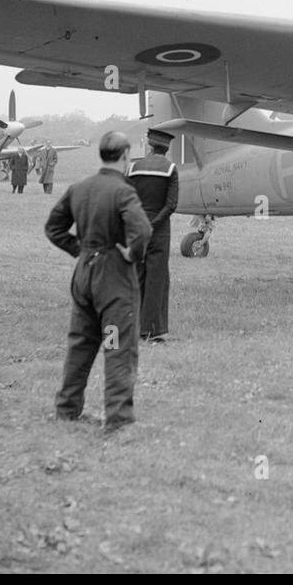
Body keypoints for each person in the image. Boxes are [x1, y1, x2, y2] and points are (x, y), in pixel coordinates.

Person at [45, 132, 152, 431]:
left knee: (80, 343)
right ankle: (118, 419)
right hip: (114, 280)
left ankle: (66, 410)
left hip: (84, 276)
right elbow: (142, 230)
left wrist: (79, 250)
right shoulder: (122, 191)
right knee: (117, 346)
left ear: (102, 154)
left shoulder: (80, 188)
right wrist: (132, 253)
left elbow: (54, 227)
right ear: (126, 156)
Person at [128, 129, 181, 342]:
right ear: (166, 149)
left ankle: (133, 326)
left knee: (137, 276)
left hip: (136, 229)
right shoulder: (170, 169)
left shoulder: (133, 167)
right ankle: (152, 331)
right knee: (157, 280)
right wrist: (153, 224)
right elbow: (171, 204)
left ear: (149, 146)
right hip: (159, 231)